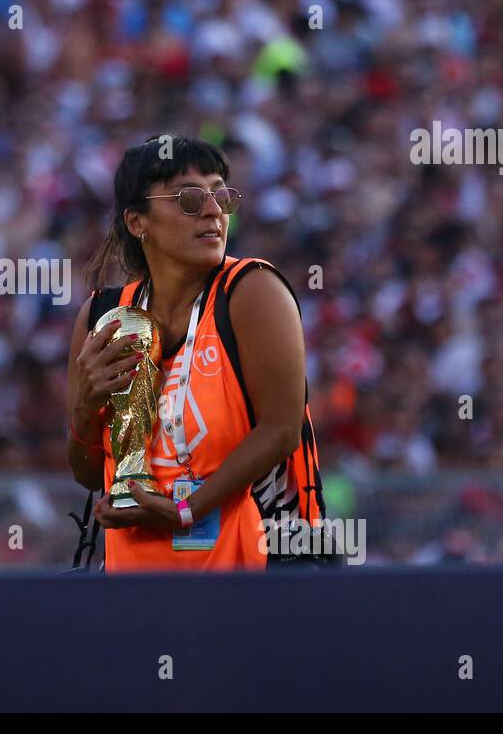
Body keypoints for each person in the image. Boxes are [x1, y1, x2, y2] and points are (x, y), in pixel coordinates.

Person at [66, 135, 334, 571]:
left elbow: (281, 428)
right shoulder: (104, 316)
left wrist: (187, 509)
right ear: (137, 221)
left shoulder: (251, 290)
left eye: (221, 194)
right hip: (140, 575)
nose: (213, 210)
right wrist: (84, 408)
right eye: (190, 198)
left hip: (259, 571)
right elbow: (89, 474)